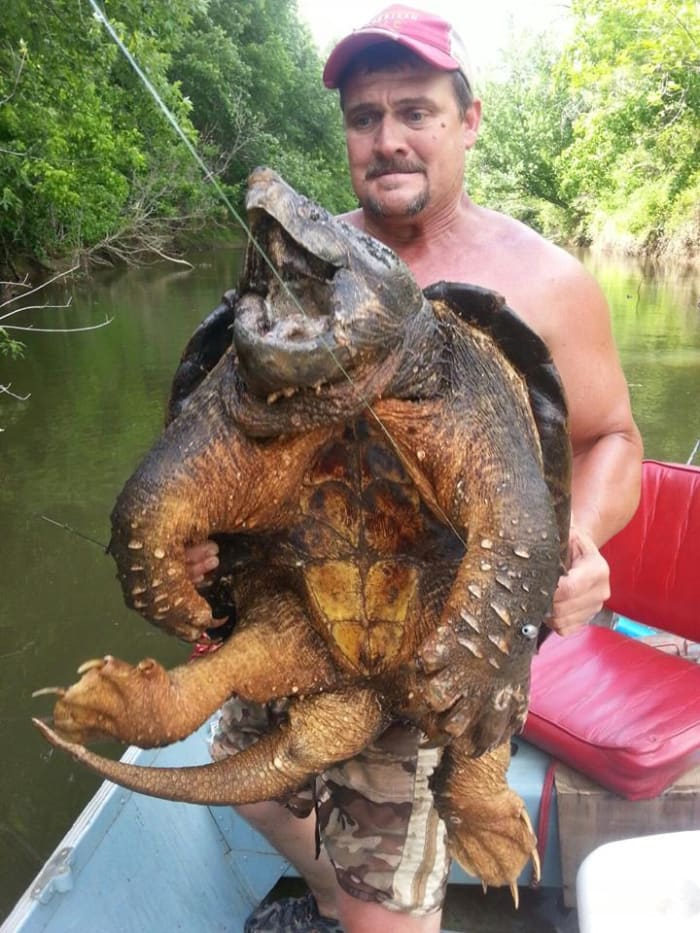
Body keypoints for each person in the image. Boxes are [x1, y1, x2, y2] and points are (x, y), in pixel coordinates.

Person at [186, 5, 643, 931]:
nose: (387, 139)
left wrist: (579, 539)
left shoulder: (546, 280)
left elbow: (613, 440)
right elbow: (233, 438)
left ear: (469, 119)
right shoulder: (295, 270)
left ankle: (373, 894)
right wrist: (208, 539)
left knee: (382, 918)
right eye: (364, 117)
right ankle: (328, 889)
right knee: (237, 782)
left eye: (416, 111)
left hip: (442, 635)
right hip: (298, 610)